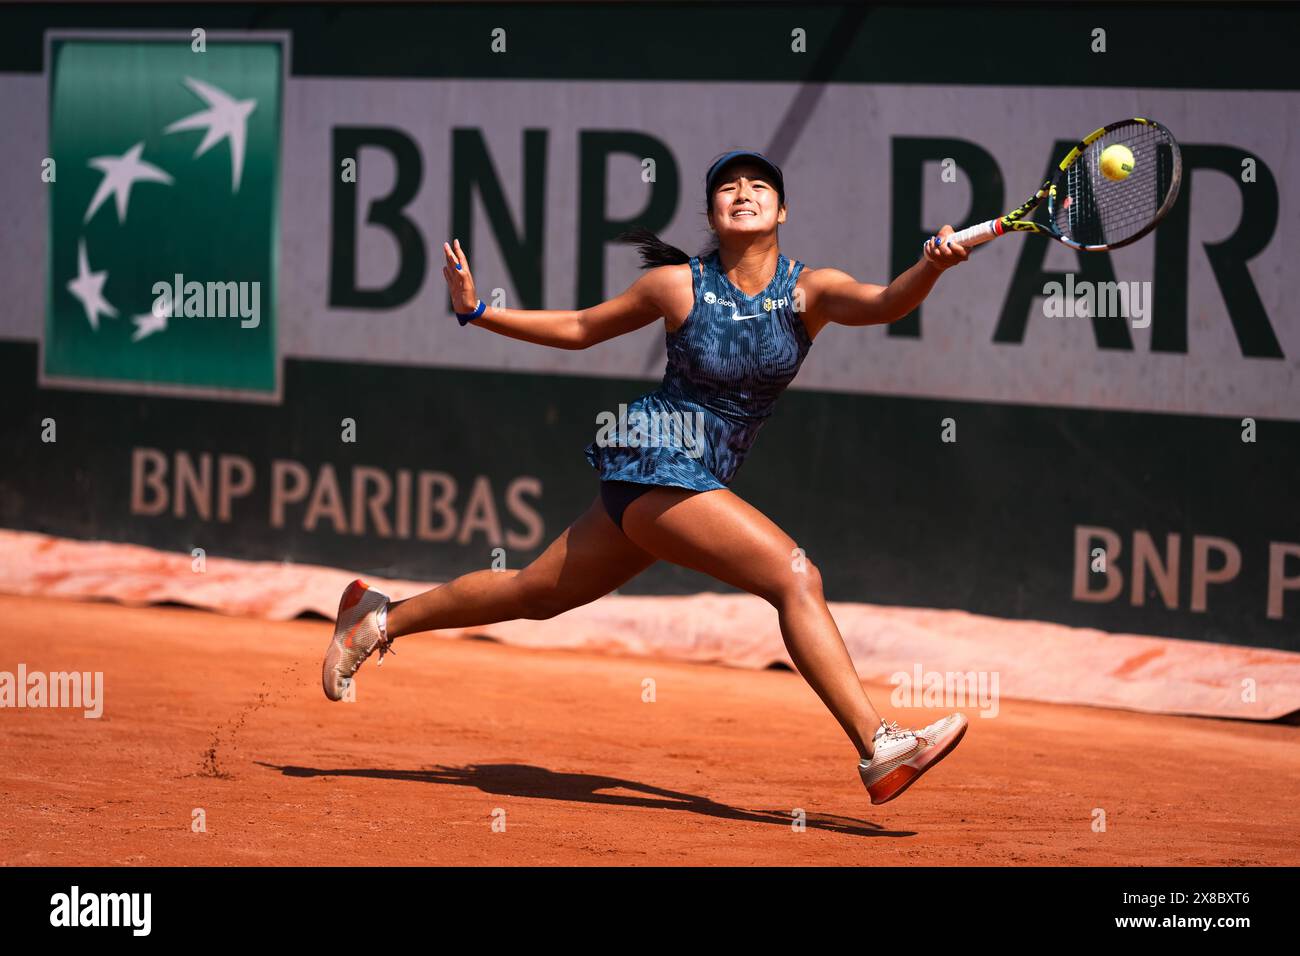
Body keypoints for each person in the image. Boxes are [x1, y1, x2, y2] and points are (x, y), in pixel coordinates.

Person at [323, 150, 971, 804]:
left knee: (534, 593)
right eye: (727, 187)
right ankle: (878, 745)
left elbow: (888, 301)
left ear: (783, 209)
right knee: (795, 574)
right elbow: (580, 328)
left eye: (758, 185)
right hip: (655, 451)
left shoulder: (813, 290)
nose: (742, 192)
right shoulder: (676, 284)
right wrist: (476, 311)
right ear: (713, 214)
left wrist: (930, 267)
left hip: (689, 475)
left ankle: (375, 619)